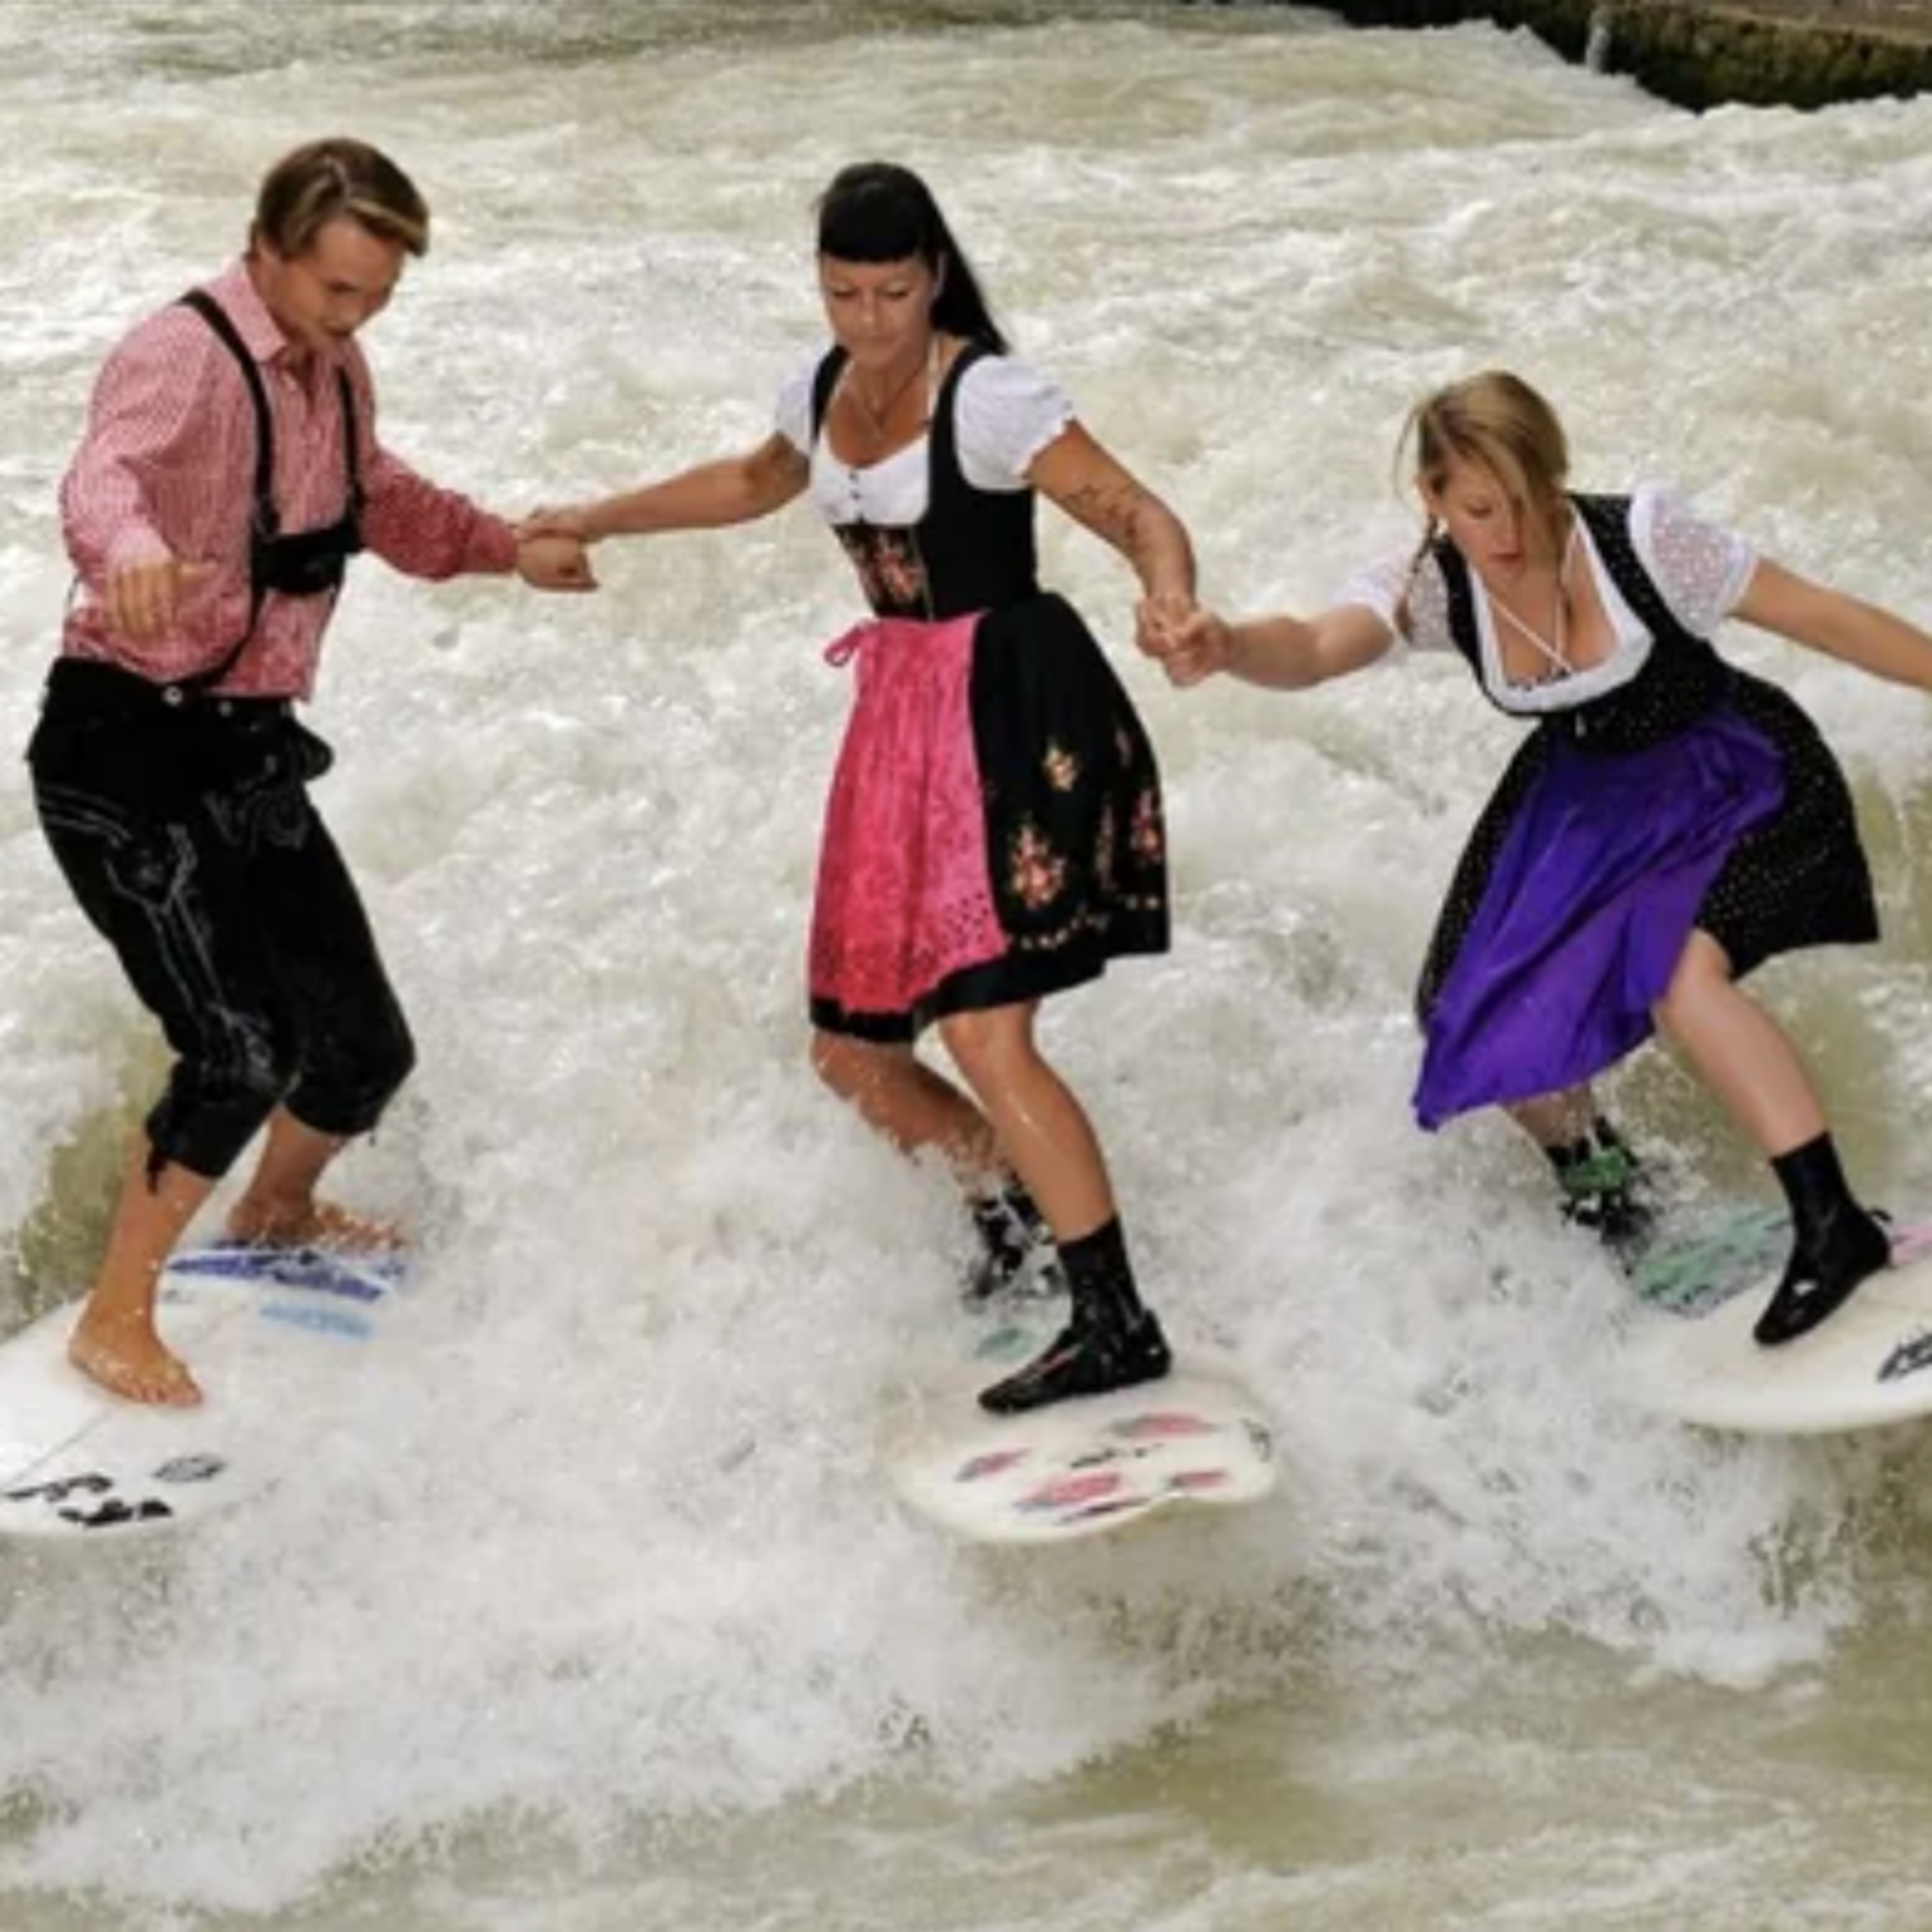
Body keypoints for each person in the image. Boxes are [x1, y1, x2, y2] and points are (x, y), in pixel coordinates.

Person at [525, 161, 1196, 1413]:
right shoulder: (820, 386)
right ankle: (1010, 1208)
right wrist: (591, 516)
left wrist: (1170, 597)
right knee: (852, 1050)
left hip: (1013, 706)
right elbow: (749, 482)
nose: (870, 319)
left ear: (934, 276)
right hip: (901, 724)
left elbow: (1136, 511)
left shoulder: (988, 397)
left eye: (892, 293)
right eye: (844, 294)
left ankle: (1116, 1319)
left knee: (985, 1031)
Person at [1141, 368, 1930, 1348]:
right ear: (1432, 496)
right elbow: (1309, 645)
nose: (1508, 532)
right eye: (1478, 510)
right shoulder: (1434, 585)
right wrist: (1225, 644)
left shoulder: (1645, 541)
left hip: (1731, 779)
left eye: (1526, 502)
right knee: (1475, 1007)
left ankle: (1834, 1227)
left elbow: (1822, 616)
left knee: (1683, 979)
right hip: (1591, 806)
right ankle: (1616, 1200)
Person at [31, 137, 596, 1408]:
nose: (357, 316)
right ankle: (115, 1318)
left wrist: (510, 549)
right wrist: (127, 551)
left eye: (378, 296)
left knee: (360, 1050)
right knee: (239, 1047)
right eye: (339, 290)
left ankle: (277, 1211)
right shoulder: (182, 354)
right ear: (268, 251)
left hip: (243, 749)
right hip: (125, 751)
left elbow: (378, 499)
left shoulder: (334, 369)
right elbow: (103, 474)